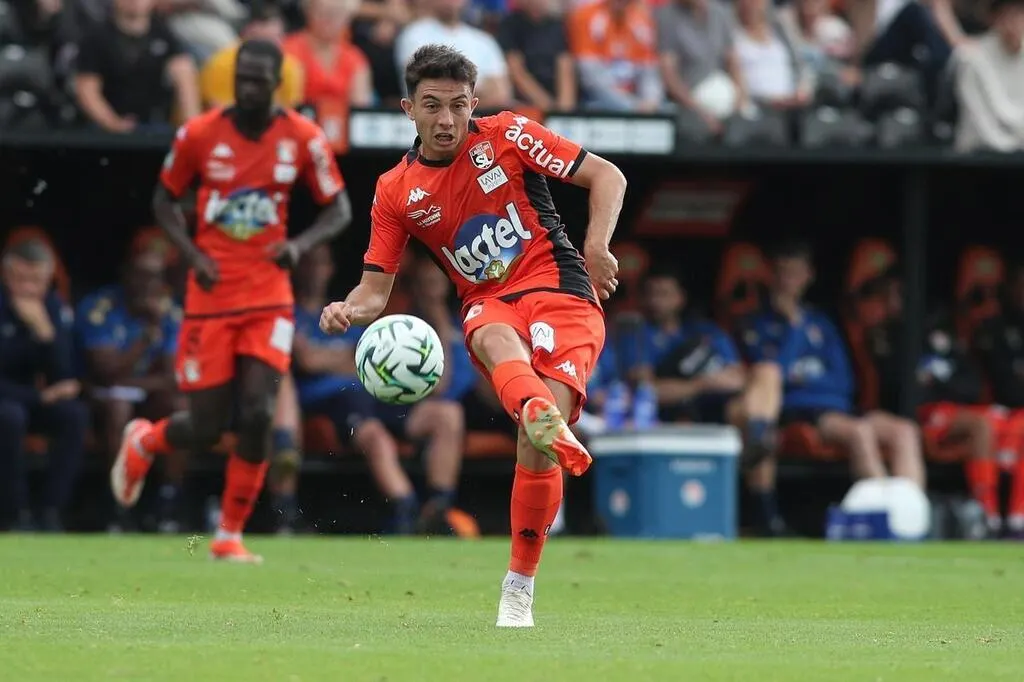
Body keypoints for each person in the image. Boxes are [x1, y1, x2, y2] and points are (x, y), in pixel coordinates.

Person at [319, 44, 626, 627]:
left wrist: (597, 246)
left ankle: (519, 583)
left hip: (562, 290)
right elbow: (374, 293)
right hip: (489, 301)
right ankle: (535, 407)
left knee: (535, 449)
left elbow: (605, 175)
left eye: (457, 106)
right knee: (487, 334)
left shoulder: (510, 135)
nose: (445, 120)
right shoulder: (395, 190)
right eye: (431, 106)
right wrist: (344, 310)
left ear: (474, 104)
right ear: (408, 109)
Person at [110, 38, 353, 563]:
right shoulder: (199, 133)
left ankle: (229, 534)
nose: (246, 88)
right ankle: (147, 441)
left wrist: (300, 244)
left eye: (257, 80)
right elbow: (163, 200)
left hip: (269, 296)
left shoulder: (303, 137)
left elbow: (339, 209)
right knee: (206, 427)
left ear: (276, 85)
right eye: (241, 78)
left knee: (261, 411)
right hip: (212, 295)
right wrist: (192, 255)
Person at [737, 240, 926, 535]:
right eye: (783, 273)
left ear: (809, 276)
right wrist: (794, 328)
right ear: (772, 277)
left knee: (904, 431)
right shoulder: (757, 322)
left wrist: (810, 377)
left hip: (838, 407)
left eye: (795, 274)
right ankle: (885, 519)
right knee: (859, 433)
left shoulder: (822, 322)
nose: (789, 282)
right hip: (800, 411)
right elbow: (774, 376)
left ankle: (915, 516)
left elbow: (843, 378)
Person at [293, 245, 468, 535]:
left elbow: (439, 382)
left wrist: (435, 311)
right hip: (345, 401)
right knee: (374, 434)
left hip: (389, 397)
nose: (314, 270)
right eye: (309, 262)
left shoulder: (366, 314)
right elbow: (311, 360)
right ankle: (405, 509)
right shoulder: (318, 311)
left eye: (321, 263)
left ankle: (438, 510)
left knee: (448, 414)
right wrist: (347, 359)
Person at [77, 247, 184, 533]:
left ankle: (166, 504)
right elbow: (105, 373)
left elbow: (174, 377)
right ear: (126, 274)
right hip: (99, 396)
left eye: (155, 277)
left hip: (141, 390)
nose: (147, 284)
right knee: (118, 406)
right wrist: (147, 337)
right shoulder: (100, 306)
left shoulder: (169, 311)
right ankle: (119, 505)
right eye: (141, 275)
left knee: (180, 409)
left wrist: (157, 323)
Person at [0, 239, 88, 532]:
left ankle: (50, 511)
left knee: (74, 415)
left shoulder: (52, 306)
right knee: (10, 417)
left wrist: (44, 331)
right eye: (20, 279)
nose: (28, 288)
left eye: (36, 280)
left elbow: (64, 373)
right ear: (6, 274)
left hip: (31, 398)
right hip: (12, 398)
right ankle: (15, 513)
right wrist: (38, 396)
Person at [200, 2, 306, 110]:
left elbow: (289, 115)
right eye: (264, 40)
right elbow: (219, 113)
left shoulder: (289, 67)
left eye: (276, 40)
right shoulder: (222, 63)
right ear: (248, 31)